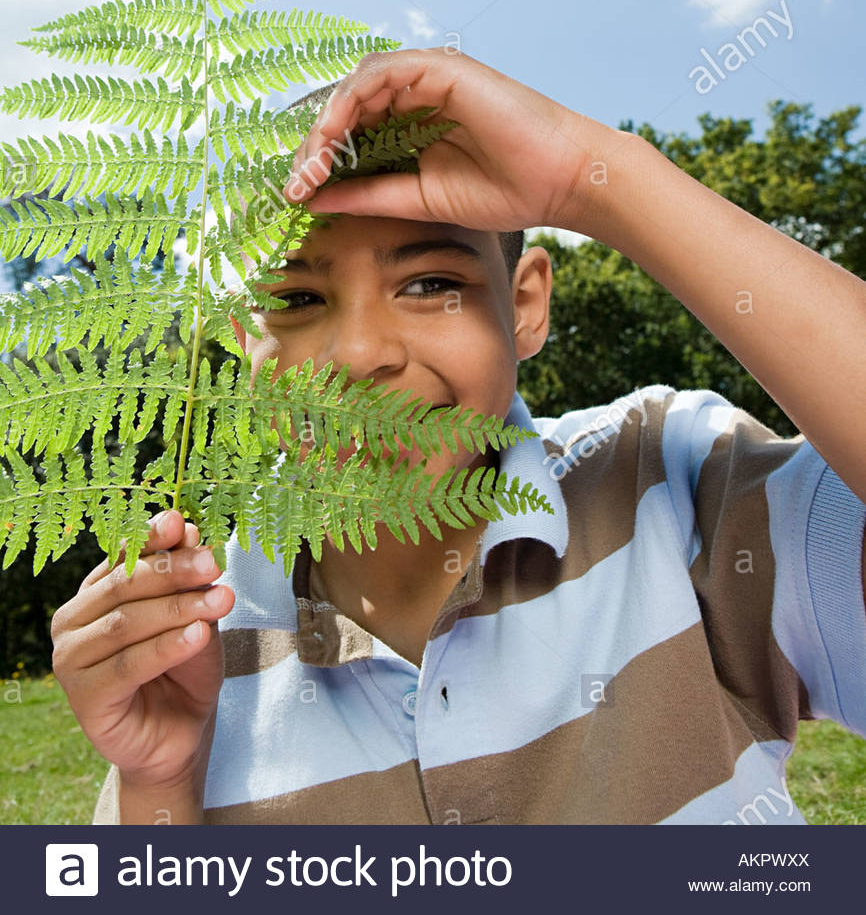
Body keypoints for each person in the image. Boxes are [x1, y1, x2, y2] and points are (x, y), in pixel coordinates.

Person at [51, 47, 866, 824]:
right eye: (296, 299)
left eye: (431, 282)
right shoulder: (192, 628)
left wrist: (593, 176)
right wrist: (158, 782)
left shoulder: (675, 478)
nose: (363, 356)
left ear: (526, 303)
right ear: (241, 338)